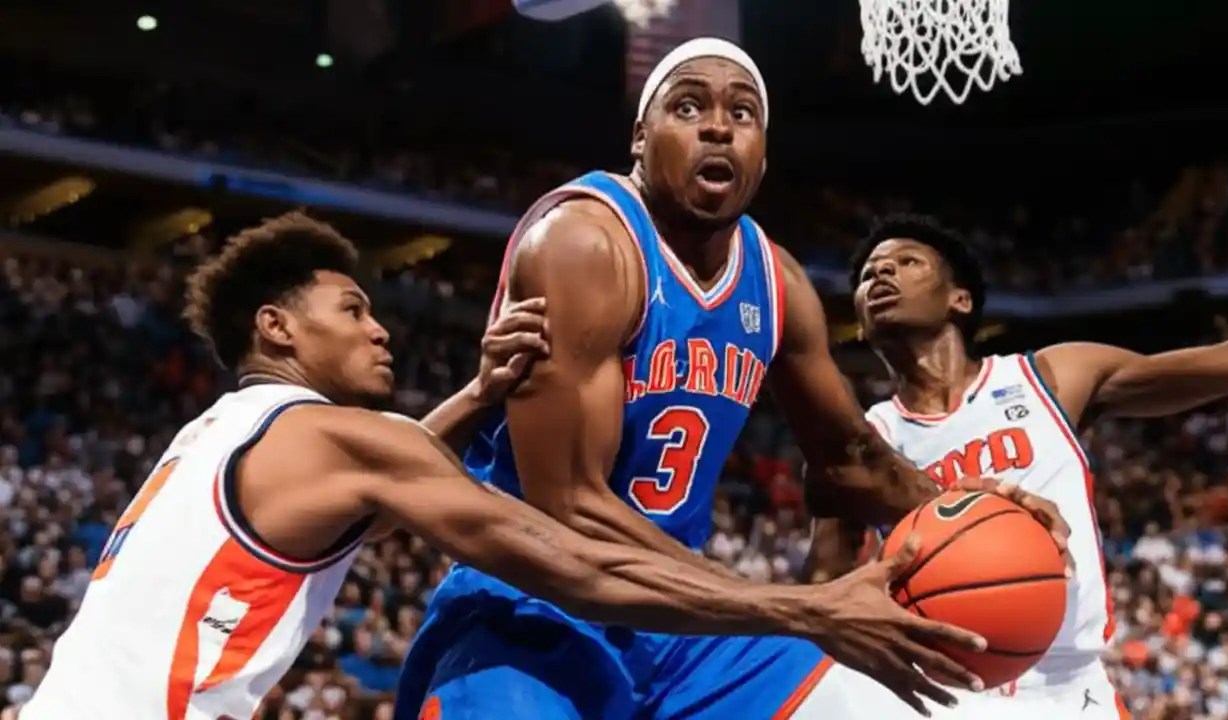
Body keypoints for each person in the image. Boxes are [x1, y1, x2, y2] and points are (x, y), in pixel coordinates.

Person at [20, 212, 973, 720]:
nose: (380, 328)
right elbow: (571, 564)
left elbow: (373, 496)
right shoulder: (329, 437)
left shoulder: (219, 433)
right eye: (352, 310)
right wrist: (802, 608)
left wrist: (478, 393)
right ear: (277, 327)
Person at [395, 38, 1067, 720]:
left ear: (762, 157)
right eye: (689, 107)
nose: (718, 127)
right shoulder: (584, 242)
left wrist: (967, 510)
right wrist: (789, 607)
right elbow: (569, 508)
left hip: (684, 621)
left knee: (894, 706)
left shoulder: (778, 282)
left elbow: (850, 461)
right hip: (533, 603)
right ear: (640, 137)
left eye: (742, 113)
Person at [825, 213, 1228, 718]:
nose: (881, 274)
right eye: (867, 275)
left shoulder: (1048, 376)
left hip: (1068, 688)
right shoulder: (860, 441)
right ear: (860, 322)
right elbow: (823, 597)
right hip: (940, 690)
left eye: (907, 262)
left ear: (960, 299)